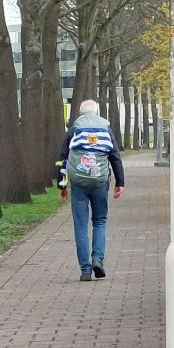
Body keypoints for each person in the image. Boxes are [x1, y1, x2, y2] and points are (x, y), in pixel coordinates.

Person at [58, 100, 124, 281]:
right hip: (100, 182)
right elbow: (115, 156)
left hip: (78, 182)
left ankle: (85, 270)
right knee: (100, 222)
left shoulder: (74, 129)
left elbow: (63, 157)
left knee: (80, 226)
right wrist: (120, 182)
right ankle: (97, 259)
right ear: (96, 112)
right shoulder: (106, 128)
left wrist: (62, 185)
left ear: (81, 113)